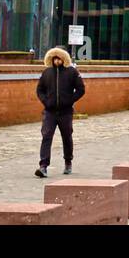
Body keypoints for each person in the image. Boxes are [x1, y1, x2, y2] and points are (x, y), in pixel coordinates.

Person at [35, 46, 85, 178]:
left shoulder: (72, 72)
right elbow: (39, 90)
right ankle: (43, 166)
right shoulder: (47, 73)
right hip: (49, 112)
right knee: (46, 136)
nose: (56, 61)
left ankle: (68, 162)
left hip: (66, 112)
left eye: (59, 58)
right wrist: (45, 101)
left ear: (63, 59)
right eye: (54, 58)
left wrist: (70, 100)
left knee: (67, 137)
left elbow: (81, 89)